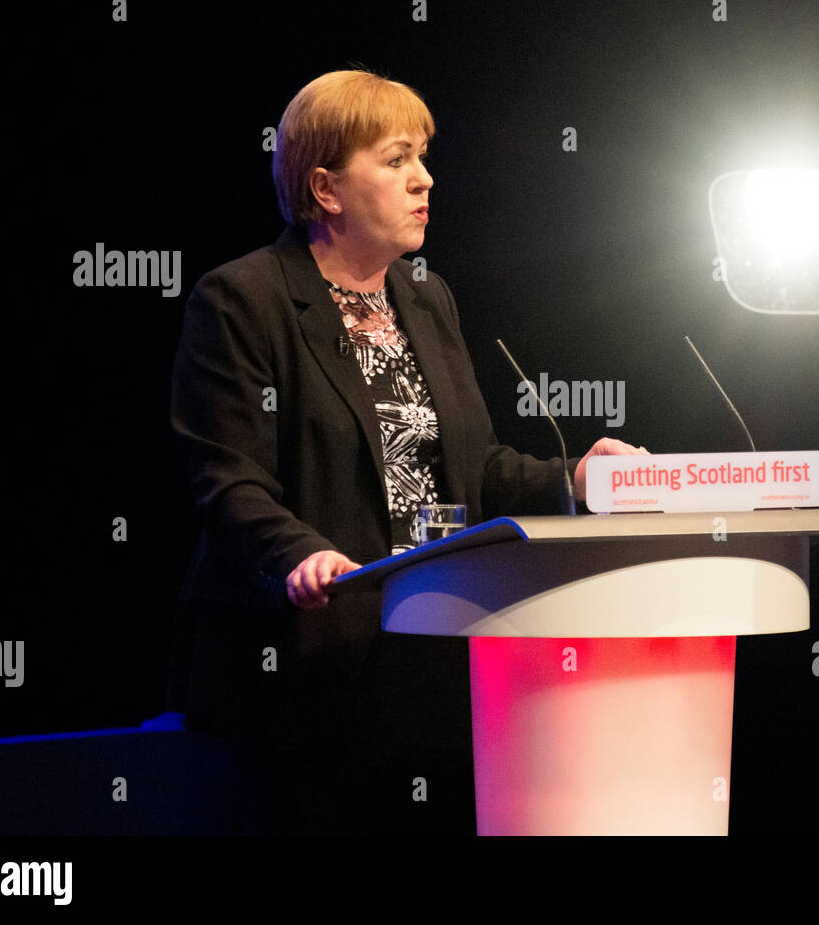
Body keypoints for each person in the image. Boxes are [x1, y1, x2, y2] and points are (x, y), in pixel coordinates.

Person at [169, 69, 644, 834]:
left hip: (435, 651)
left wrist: (578, 479)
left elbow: (473, 467)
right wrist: (298, 553)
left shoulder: (426, 298)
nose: (424, 178)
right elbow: (230, 479)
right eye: (395, 160)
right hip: (306, 663)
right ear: (326, 189)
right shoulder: (243, 299)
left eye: (422, 156)